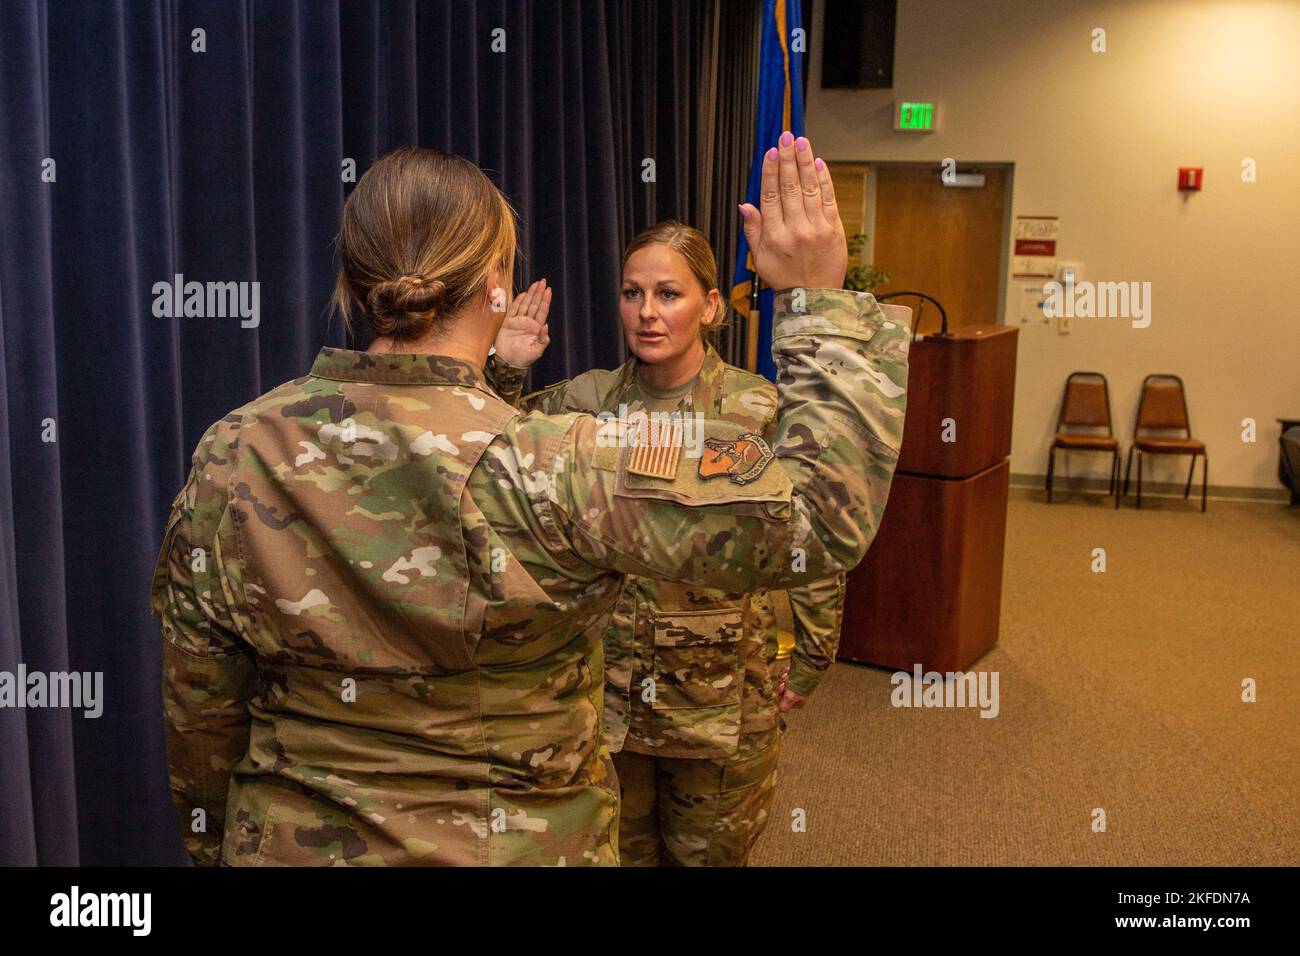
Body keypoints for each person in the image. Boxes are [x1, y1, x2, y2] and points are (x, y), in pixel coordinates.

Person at [152, 134, 908, 867]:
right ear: (498, 283)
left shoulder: (234, 452)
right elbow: (819, 521)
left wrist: (223, 841)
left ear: (353, 282)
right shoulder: (558, 462)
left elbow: (202, 710)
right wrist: (817, 300)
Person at [487, 221, 845, 866]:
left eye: (668, 294)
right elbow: (490, 462)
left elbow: (809, 538)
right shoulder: (585, 401)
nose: (647, 313)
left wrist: (815, 650)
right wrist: (506, 369)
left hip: (721, 694)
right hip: (606, 692)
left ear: (710, 306)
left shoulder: (758, 410)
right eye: (632, 293)